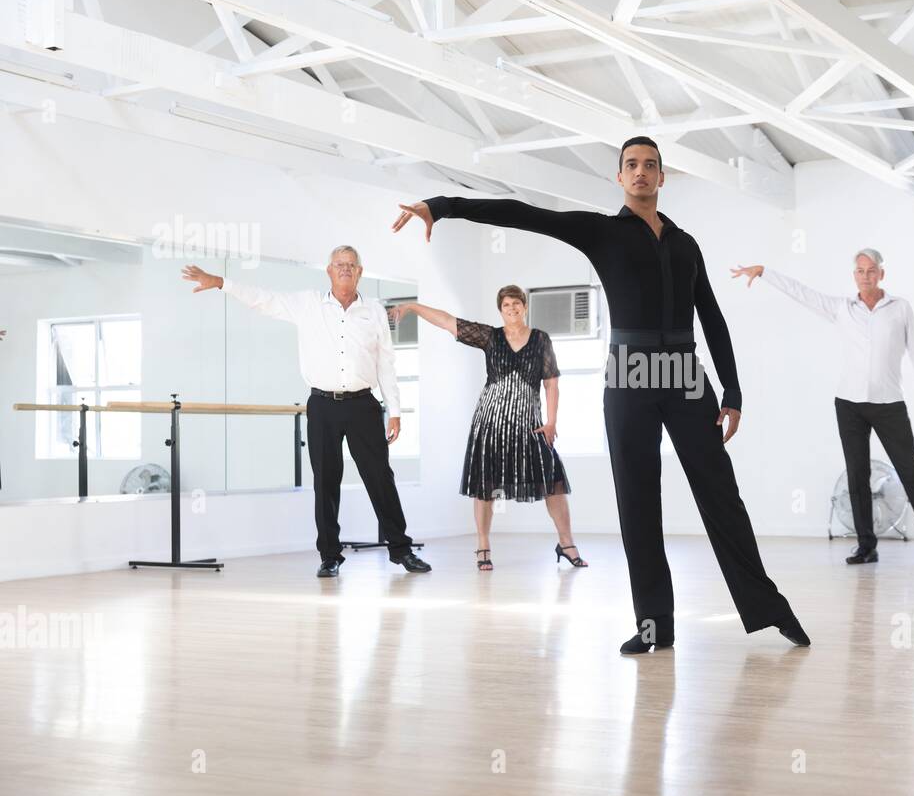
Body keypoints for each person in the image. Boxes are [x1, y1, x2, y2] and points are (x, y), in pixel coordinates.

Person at [391, 136, 809, 655]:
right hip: (628, 383)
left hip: (685, 377)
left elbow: (714, 319)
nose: (640, 172)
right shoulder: (602, 232)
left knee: (721, 495)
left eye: (650, 166)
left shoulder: (686, 245)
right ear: (619, 177)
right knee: (638, 503)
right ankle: (655, 625)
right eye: (631, 165)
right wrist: (441, 206)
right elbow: (522, 212)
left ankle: (768, 608)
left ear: (662, 178)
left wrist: (733, 390)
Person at [182, 248, 431, 578]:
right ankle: (330, 555)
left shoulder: (374, 311)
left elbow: (386, 362)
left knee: (380, 478)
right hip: (322, 405)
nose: (345, 269)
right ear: (329, 270)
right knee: (326, 480)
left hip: (364, 406)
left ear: (360, 271)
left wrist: (395, 411)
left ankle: (401, 550)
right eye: (339, 265)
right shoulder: (307, 304)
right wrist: (221, 282)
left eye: (351, 265)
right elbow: (262, 299)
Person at [732, 255, 914, 566]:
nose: (865, 276)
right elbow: (803, 294)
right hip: (849, 405)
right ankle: (866, 546)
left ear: (881, 273)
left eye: (871, 270)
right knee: (857, 475)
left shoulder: (899, 308)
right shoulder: (842, 308)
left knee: (911, 473)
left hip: (889, 404)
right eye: (860, 271)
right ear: (854, 275)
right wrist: (765, 272)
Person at [389, 286, 587, 572]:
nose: (512, 309)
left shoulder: (541, 339)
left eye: (517, 304)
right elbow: (448, 322)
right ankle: (483, 546)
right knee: (485, 486)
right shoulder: (490, 337)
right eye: (507, 305)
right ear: (501, 309)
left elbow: (551, 383)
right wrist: (411, 306)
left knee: (553, 482)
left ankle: (567, 543)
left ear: (525, 307)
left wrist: (552, 422)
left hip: (529, 424)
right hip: (490, 423)